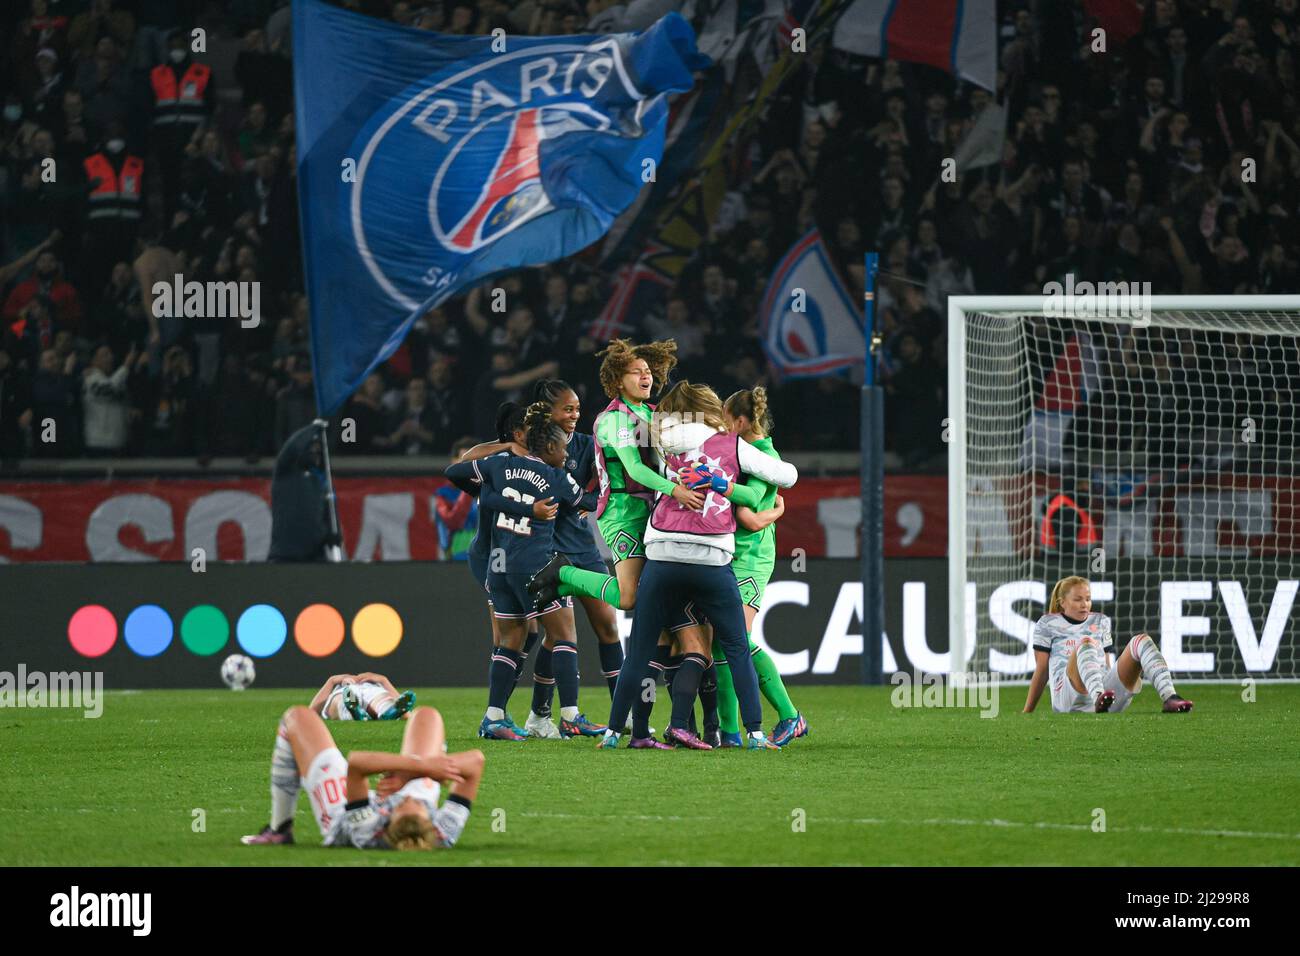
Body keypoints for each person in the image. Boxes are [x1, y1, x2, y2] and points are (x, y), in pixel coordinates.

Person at [588, 381, 799, 750]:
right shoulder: (733, 444)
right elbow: (785, 478)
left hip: (662, 555)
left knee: (640, 650)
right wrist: (724, 484)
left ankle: (613, 733)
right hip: (712, 559)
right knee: (734, 647)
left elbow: (633, 462)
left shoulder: (659, 439)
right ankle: (754, 734)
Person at [446, 402, 606, 741]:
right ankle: (571, 715)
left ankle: (494, 717)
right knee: (564, 635)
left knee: (512, 640)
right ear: (548, 446)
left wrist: (498, 495)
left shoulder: (498, 465)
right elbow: (591, 503)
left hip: (499, 566)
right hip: (535, 566)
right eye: (562, 447)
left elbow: (454, 472)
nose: (567, 454)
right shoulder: (556, 477)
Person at [241, 704, 483, 850]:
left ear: (386, 817)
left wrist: (414, 769)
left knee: (296, 717)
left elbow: (357, 765)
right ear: (431, 819)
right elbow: (476, 761)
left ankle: (279, 830)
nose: (404, 799)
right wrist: (414, 776)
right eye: (418, 804)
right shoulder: (443, 832)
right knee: (427, 716)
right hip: (407, 800)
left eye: (403, 804)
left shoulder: (367, 830)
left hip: (342, 807)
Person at [1023, 575, 1194, 714]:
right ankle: (1099, 697)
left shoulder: (1100, 620)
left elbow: (1106, 664)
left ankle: (1170, 697)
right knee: (1086, 643)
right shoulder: (1047, 623)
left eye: (1088, 599)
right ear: (1062, 602)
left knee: (1141, 640)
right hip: (1068, 699)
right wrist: (1028, 710)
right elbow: (1042, 669)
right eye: (1078, 599)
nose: (1085, 604)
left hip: (1107, 696)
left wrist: (1114, 684)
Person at [309, 672, 416, 721]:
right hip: (349, 689)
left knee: (341, 700)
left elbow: (311, 712)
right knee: (342, 699)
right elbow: (311, 713)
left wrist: (383, 680)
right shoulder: (339, 683)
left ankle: (356, 714)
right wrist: (332, 681)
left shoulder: (375, 681)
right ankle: (388, 712)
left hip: (367, 687)